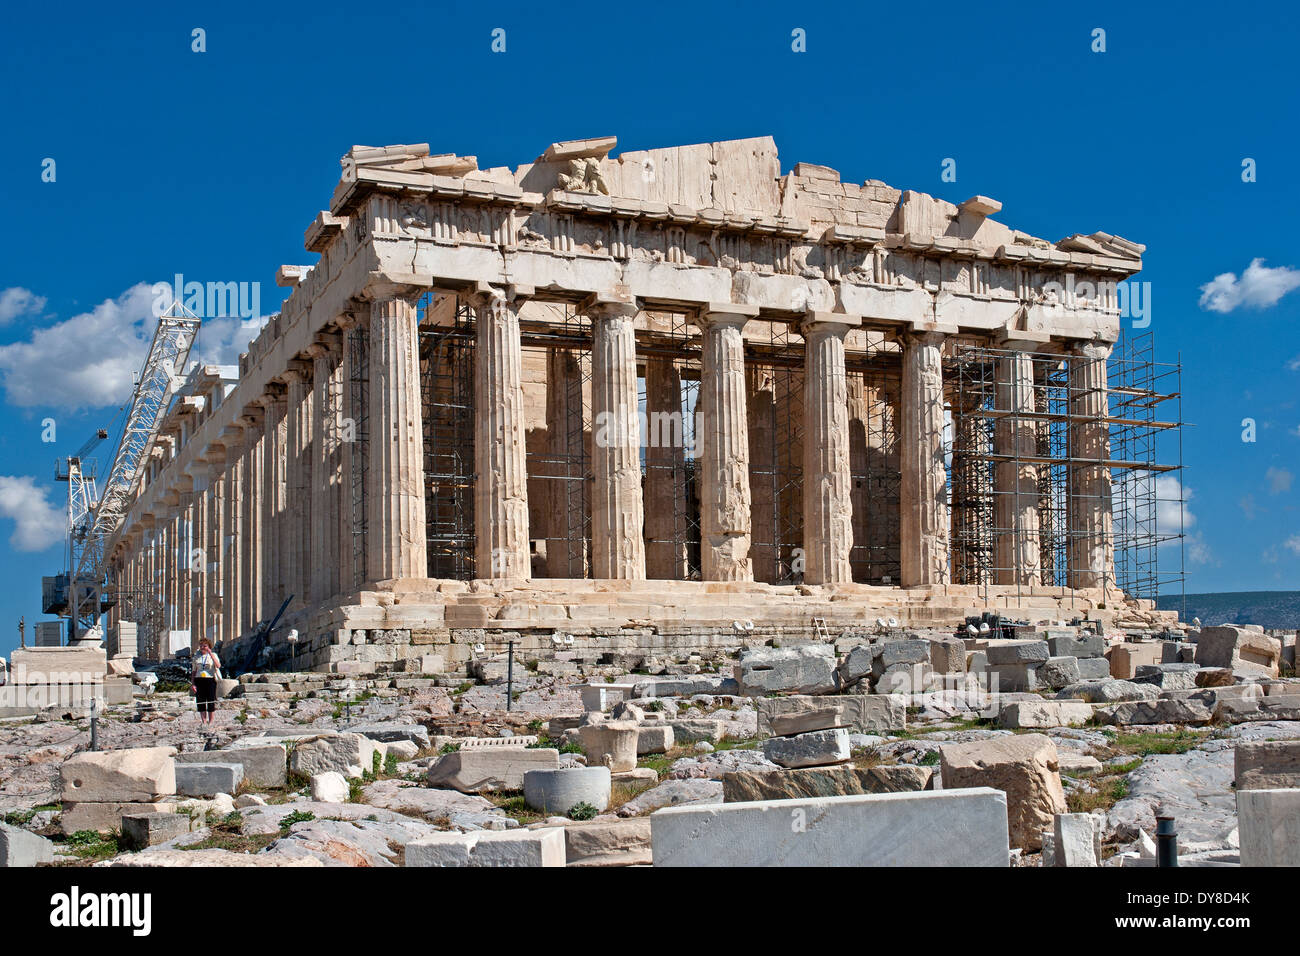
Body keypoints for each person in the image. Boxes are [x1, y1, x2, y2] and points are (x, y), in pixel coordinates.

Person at [190, 637, 223, 726]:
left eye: (204, 646)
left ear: (209, 646)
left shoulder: (213, 655)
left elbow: (218, 665)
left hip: (210, 679)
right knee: (200, 700)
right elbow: (193, 671)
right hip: (199, 679)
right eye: (201, 646)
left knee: (210, 700)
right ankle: (204, 721)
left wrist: (211, 654)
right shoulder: (196, 657)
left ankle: (211, 721)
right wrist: (193, 683)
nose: (202, 647)